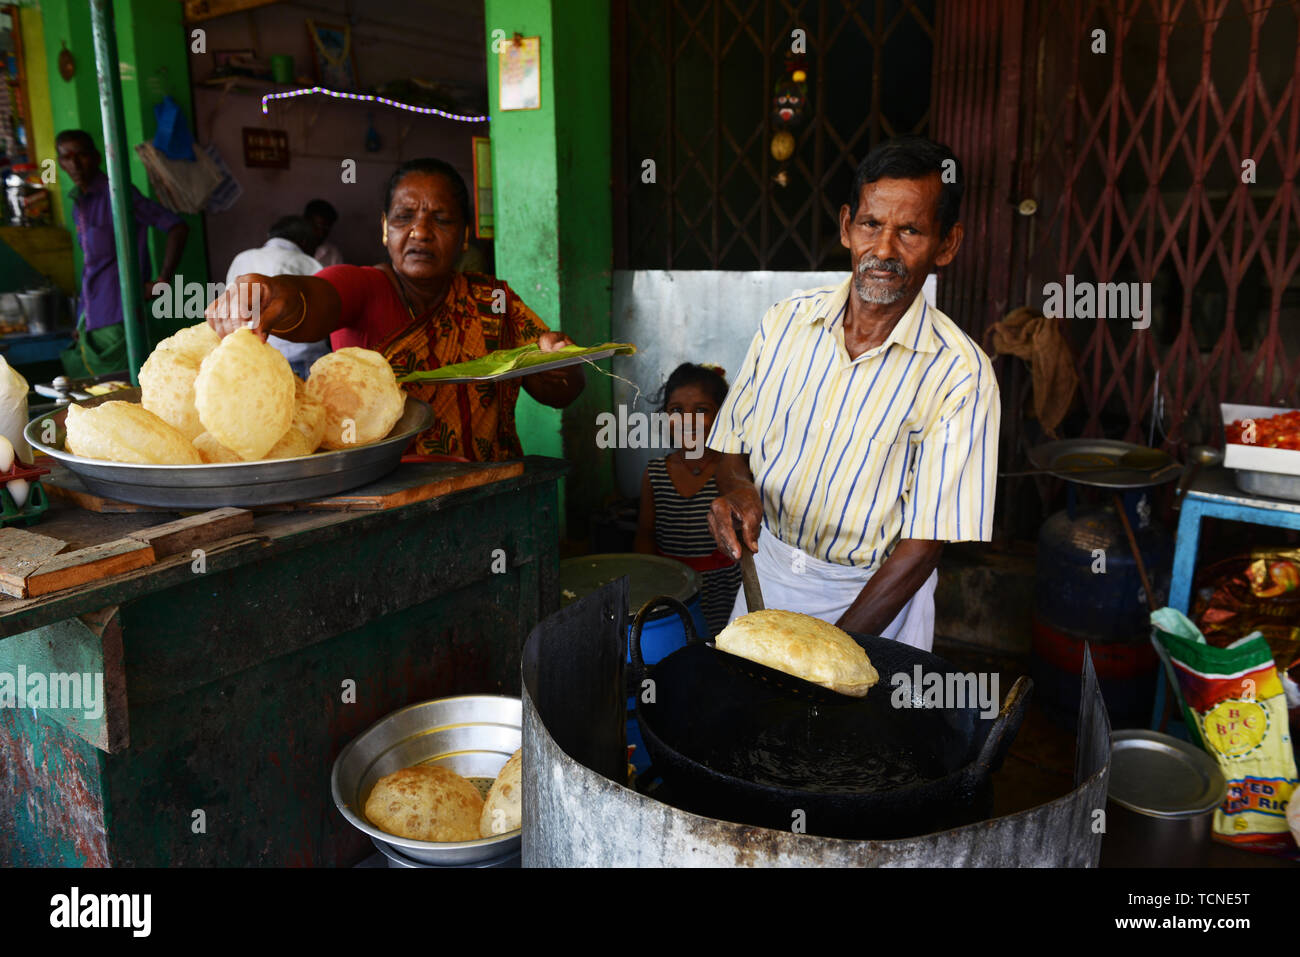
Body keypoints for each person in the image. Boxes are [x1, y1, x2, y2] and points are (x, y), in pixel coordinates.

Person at [706, 135, 1000, 652]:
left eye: (910, 230)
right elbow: (732, 448)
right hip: (767, 578)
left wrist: (831, 652)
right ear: (847, 226)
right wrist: (735, 488)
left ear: (947, 244)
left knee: (851, 727)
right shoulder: (784, 324)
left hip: (874, 603)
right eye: (871, 225)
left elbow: (922, 547)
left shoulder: (961, 374)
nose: (884, 250)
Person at [205, 157, 584, 460]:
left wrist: (556, 368)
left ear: (465, 234)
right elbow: (310, 300)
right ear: (386, 229)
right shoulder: (364, 287)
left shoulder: (492, 301)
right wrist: (273, 293)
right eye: (404, 217)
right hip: (389, 501)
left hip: (490, 492)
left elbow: (563, 391)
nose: (420, 231)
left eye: (442, 219)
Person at [56, 129, 189, 377]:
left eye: (81, 155)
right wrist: (81, 319)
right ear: (60, 162)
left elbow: (177, 226)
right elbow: (91, 266)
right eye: (66, 157)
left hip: (119, 316)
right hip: (91, 319)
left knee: (121, 392)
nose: (74, 163)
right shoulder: (79, 203)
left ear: (96, 157)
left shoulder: (117, 194)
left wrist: (163, 280)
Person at [634, 364, 741, 638]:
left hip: (724, 590)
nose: (687, 421)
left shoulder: (731, 473)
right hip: (672, 587)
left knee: (724, 648)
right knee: (678, 647)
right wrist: (645, 584)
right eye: (676, 410)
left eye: (702, 410)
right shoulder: (656, 473)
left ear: (721, 415)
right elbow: (645, 534)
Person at [224, 215, 329, 378]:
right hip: (301, 358)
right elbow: (326, 314)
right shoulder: (307, 263)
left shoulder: (242, 259)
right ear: (305, 242)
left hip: (254, 357)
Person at [304, 198, 343, 267]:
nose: (321, 234)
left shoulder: (333, 253)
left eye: (326, 229)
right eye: (317, 227)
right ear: (306, 222)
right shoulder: (292, 249)